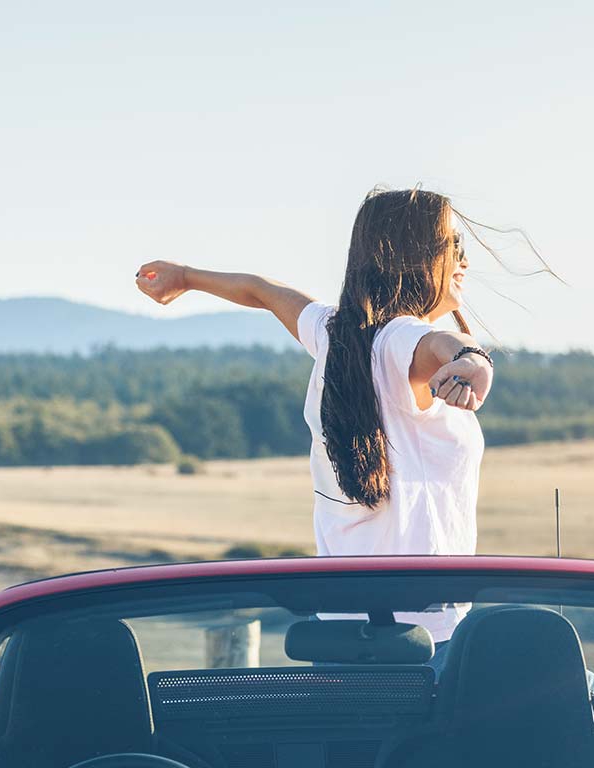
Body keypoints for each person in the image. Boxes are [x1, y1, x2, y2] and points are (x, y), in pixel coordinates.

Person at [135, 188, 496, 673]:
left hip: (341, 634)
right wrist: (474, 361)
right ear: (417, 255)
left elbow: (262, 291)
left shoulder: (335, 333)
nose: (465, 261)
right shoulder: (401, 338)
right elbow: (442, 345)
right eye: (455, 245)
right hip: (429, 641)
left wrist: (186, 277)